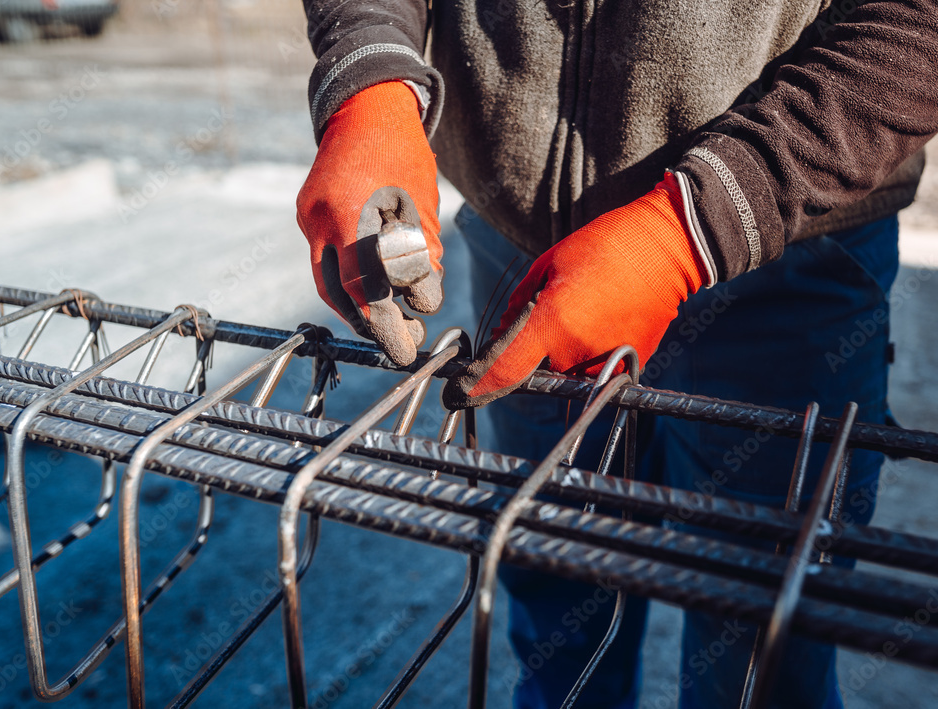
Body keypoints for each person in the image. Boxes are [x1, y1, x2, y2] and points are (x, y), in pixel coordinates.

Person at [295, 1, 938, 707]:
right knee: (555, 590)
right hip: (522, 244)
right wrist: (370, 83)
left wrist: (691, 230)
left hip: (790, 255)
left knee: (766, 627)